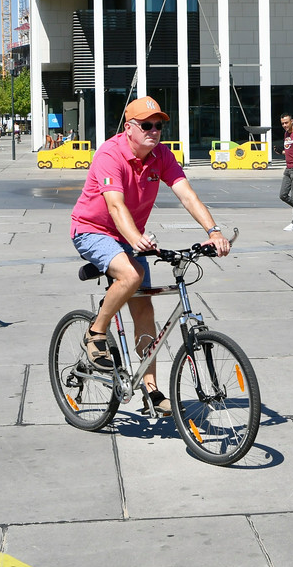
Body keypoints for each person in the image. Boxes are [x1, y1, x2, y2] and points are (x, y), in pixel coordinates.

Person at [70, 96, 230, 416]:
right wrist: (135, 240)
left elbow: (187, 194)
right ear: (129, 128)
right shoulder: (109, 155)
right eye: (146, 125)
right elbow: (115, 206)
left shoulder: (161, 156)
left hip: (132, 236)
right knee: (132, 276)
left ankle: (152, 392)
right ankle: (95, 332)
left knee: (145, 311)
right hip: (93, 231)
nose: (154, 131)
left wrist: (213, 231)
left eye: (158, 125)